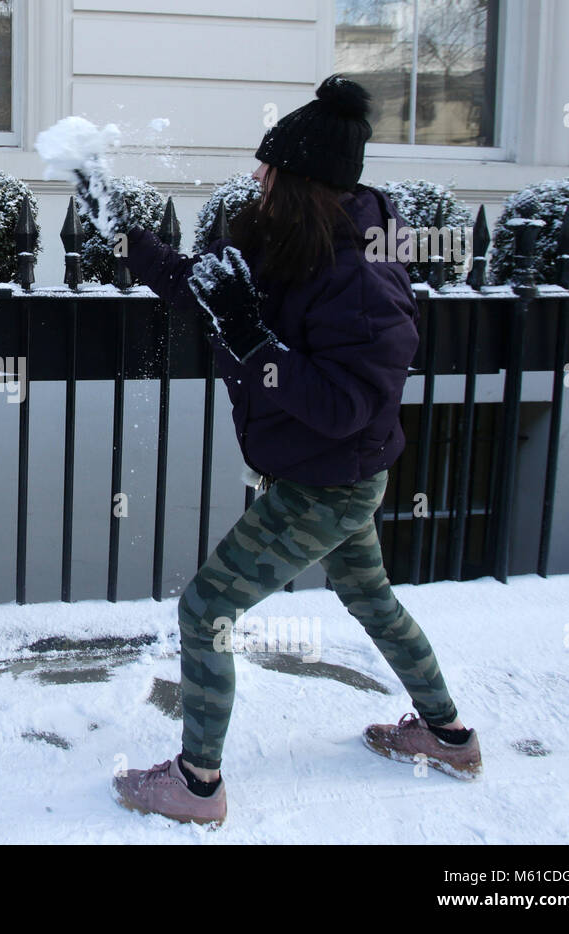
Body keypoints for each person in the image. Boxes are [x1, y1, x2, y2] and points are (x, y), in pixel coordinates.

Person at [75, 75, 481, 826]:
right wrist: (124, 236)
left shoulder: (360, 277)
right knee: (373, 599)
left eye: (271, 170)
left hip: (328, 483)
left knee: (205, 611)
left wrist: (254, 341)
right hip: (329, 475)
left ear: (304, 183)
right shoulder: (286, 241)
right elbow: (205, 289)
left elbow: (345, 405)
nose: (257, 179)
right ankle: (448, 735)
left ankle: (198, 785)